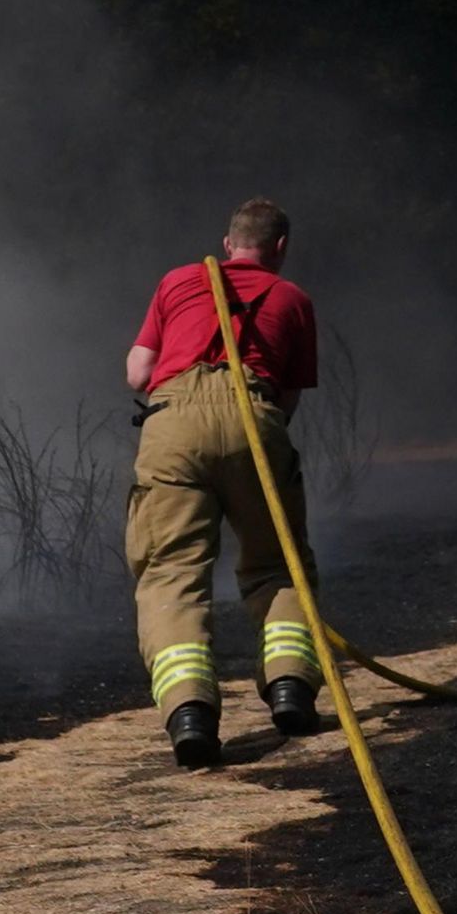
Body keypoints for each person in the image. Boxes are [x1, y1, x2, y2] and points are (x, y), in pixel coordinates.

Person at [124, 198, 324, 767]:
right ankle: (290, 687)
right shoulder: (294, 300)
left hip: (171, 428)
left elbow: (138, 373)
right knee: (277, 563)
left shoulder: (178, 281)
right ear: (279, 248)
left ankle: (190, 713)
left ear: (227, 241)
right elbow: (287, 400)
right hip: (255, 419)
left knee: (171, 574)